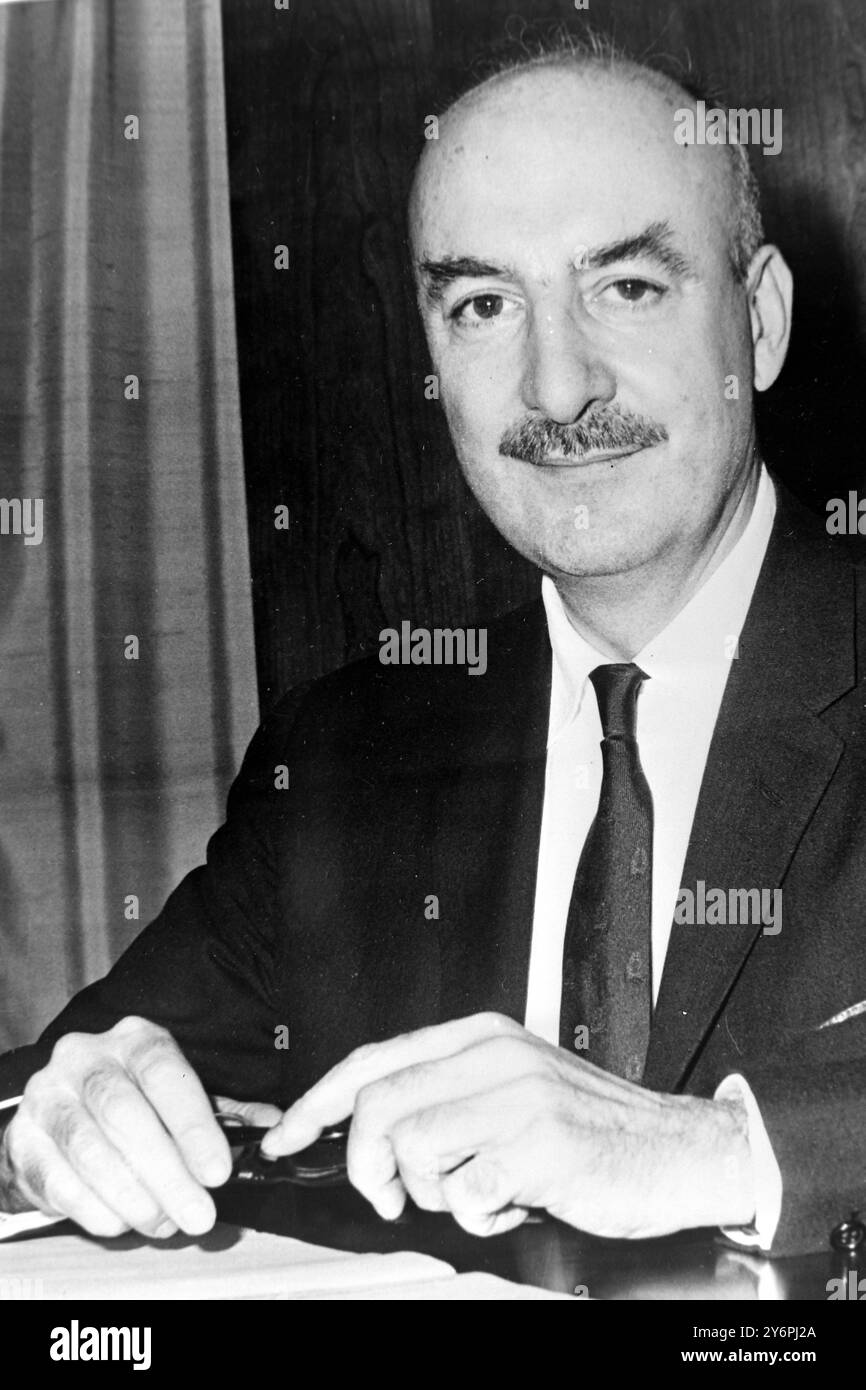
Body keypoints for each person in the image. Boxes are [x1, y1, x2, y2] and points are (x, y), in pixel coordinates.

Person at [2, 39, 865, 1258]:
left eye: (624, 287)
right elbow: (62, 1086)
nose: (556, 387)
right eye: (481, 305)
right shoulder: (349, 756)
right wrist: (48, 1128)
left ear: (759, 322)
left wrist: (716, 1148)